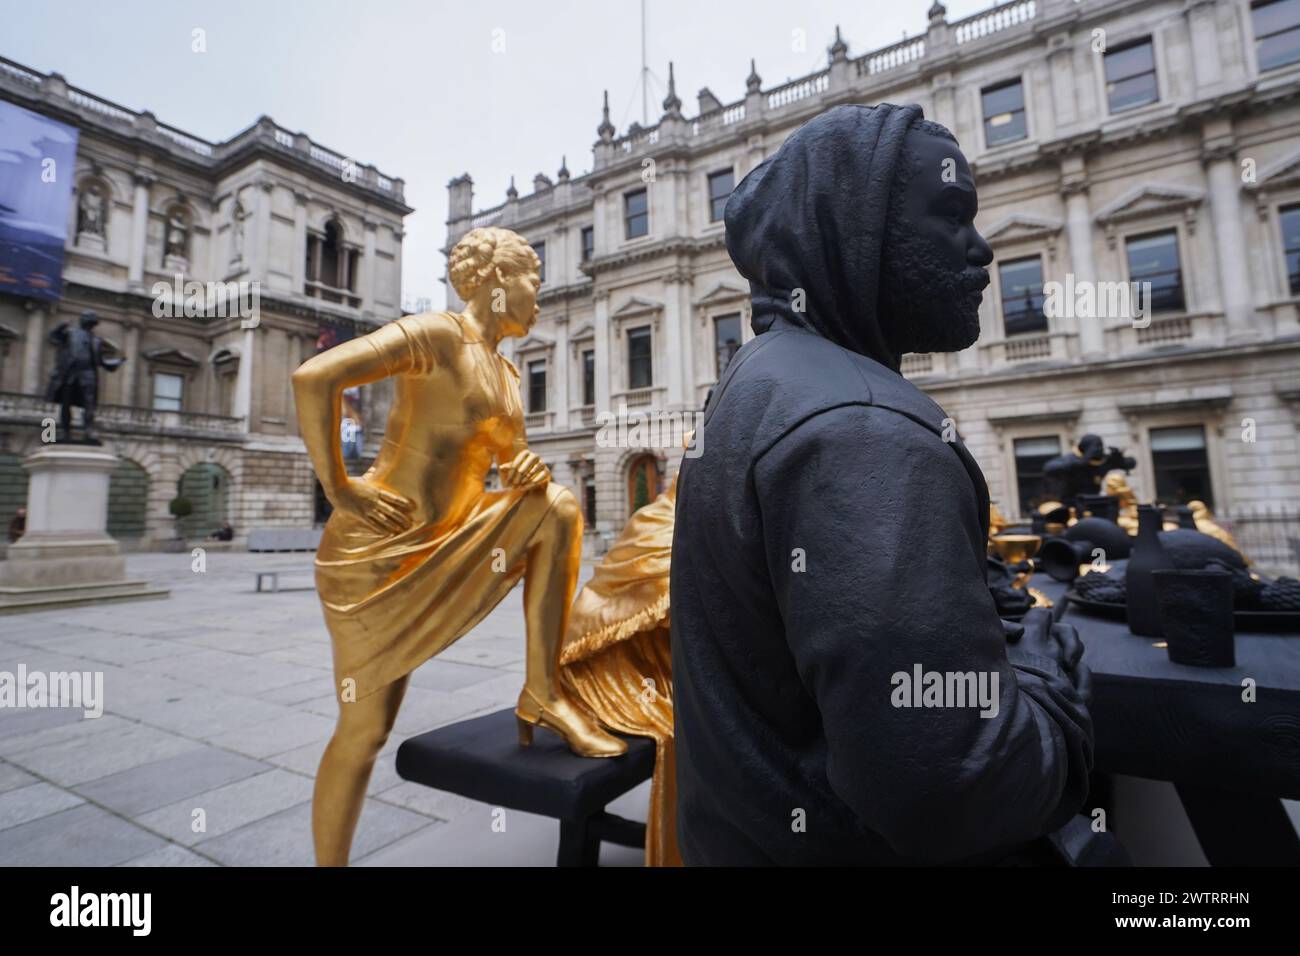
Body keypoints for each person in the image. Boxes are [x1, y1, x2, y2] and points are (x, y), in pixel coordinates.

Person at [671, 104, 1094, 865]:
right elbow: (956, 783)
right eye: (952, 216)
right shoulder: (862, 431)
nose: (983, 250)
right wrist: (1040, 673)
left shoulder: (761, 380)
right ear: (858, 231)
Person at [293, 226, 625, 867]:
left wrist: (523, 471)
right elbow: (315, 377)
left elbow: (508, 462)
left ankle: (542, 691)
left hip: (451, 539)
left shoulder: (505, 373)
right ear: (498, 279)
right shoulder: (438, 334)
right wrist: (340, 486)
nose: (541, 296)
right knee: (365, 731)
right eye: (535, 279)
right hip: (377, 549)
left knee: (556, 506)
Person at [45, 309, 125, 444]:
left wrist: (115, 363)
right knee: (66, 403)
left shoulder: (96, 341)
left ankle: (88, 430)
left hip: (88, 374)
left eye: (92, 319)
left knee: (89, 405)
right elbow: (53, 336)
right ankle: (66, 432)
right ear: (83, 320)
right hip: (70, 372)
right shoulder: (70, 334)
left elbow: (100, 361)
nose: (90, 321)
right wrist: (61, 326)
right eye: (88, 317)